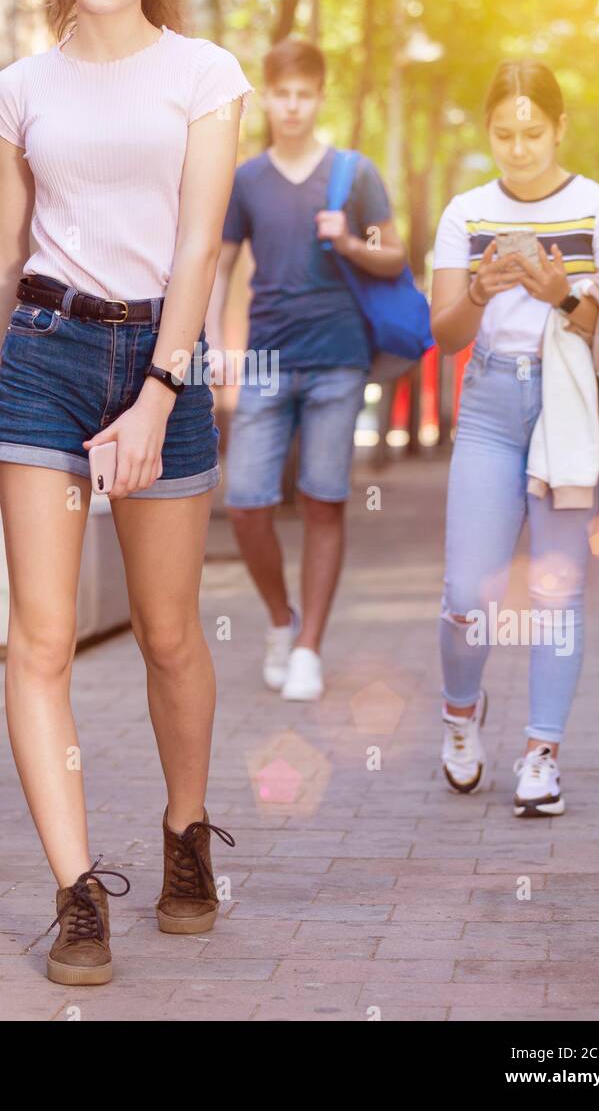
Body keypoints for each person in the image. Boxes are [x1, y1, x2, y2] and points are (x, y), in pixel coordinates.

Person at [0, 0, 253, 984]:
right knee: (38, 640)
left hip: (159, 356)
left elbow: (197, 246)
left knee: (168, 632)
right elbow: (2, 258)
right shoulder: (15, 91)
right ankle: (77, 892)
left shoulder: (203, 76)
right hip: (43, 357)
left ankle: (187, 833)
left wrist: (158, 393)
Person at [430, 60, 599, 816]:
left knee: (558, 592)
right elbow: (446, 334)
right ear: (488, 131)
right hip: (490, 403)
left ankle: (541, 753)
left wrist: (566, 296)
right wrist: (481, 293)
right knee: (467, 596)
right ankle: (461, 714)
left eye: (532, 133)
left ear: (559, 129)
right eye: (503, 133)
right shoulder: (465, 212)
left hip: (566, 408)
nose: (518, 148)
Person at [206, 38, 407, 703]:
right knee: (244, 503)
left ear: (320, 98)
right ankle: (279, 619)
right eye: (281, 93)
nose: (291, 106)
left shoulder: (355, 173)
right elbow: (223, 267)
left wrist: (348, 240)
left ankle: (310, 649)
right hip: (265, 358)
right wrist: (211, 346)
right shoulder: (246, 179)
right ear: (267, 97)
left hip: (338, 361)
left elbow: (394, 257)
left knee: (324, 501)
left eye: (304, 94)